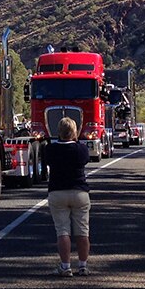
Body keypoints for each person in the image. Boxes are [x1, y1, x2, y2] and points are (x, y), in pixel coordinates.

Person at [44, 116, 91, 277]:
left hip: (57, 192)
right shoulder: (81, 149)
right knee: (82, 231)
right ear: (74, 132)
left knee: (62, 231)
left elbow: (47, 160)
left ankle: (65, 266)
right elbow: (85, 160)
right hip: (79, 192)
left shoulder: (51, 149)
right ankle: (83, 265)